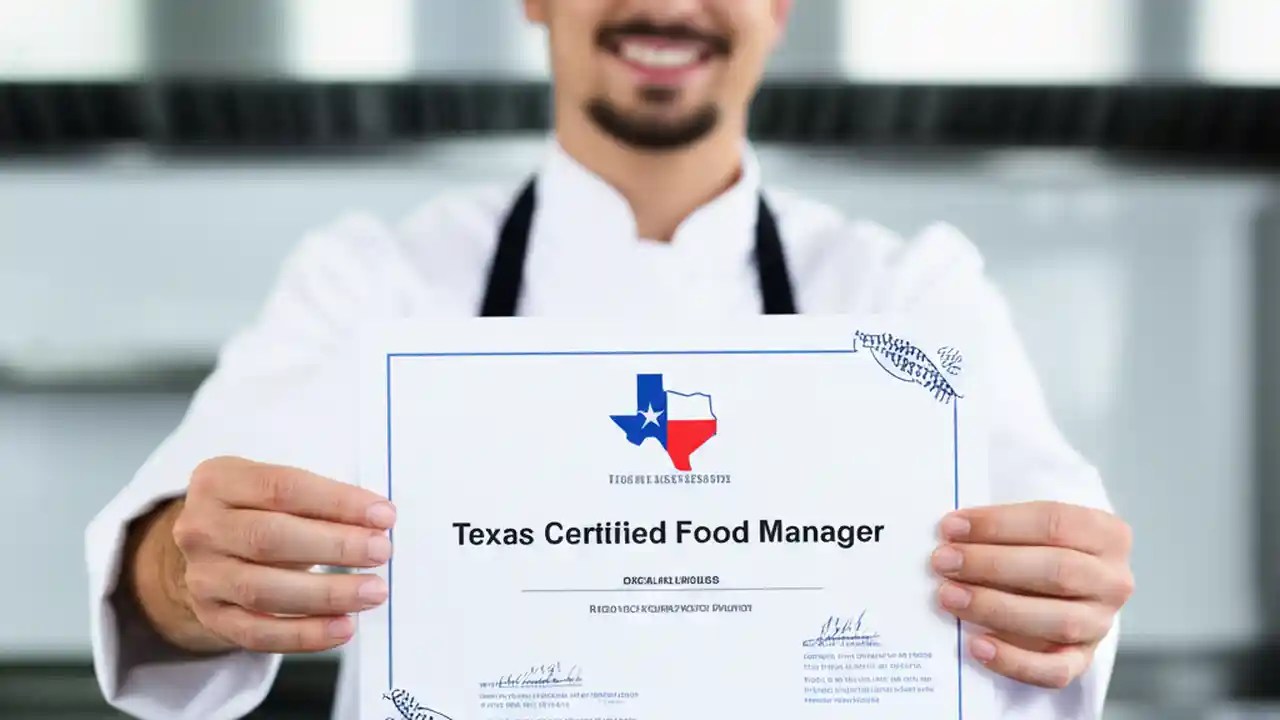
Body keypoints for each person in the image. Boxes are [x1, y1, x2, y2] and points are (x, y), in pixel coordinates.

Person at [85, 1, 1135, 718]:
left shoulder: (911, 296)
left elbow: (1054, 595)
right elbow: (163, 570)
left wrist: (1059, 597)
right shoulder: (371, 281)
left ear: (778, 4)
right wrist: (186, 571)